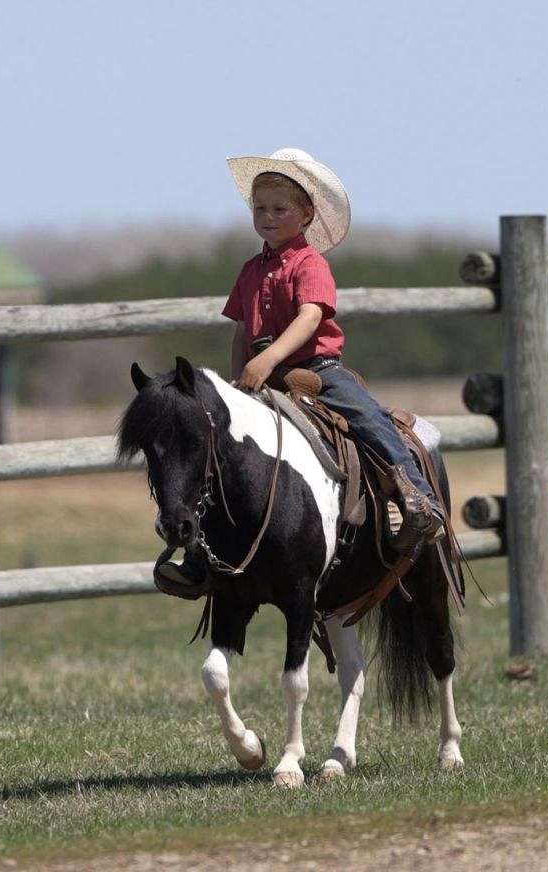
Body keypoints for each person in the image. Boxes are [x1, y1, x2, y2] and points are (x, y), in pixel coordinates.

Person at [154, 147, 443, 597]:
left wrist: (268, 359)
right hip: (261, 377)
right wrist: (239, 383)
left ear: (306, 214)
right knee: (215, 449)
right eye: (260, 208)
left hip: (317, 369)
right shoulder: (250, 270)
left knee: (367, 416)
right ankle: (201, 555)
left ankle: (416, 496)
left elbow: (310, 318)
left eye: (280, 209)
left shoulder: (310, 264)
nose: (267, 217)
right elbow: (241, 331)